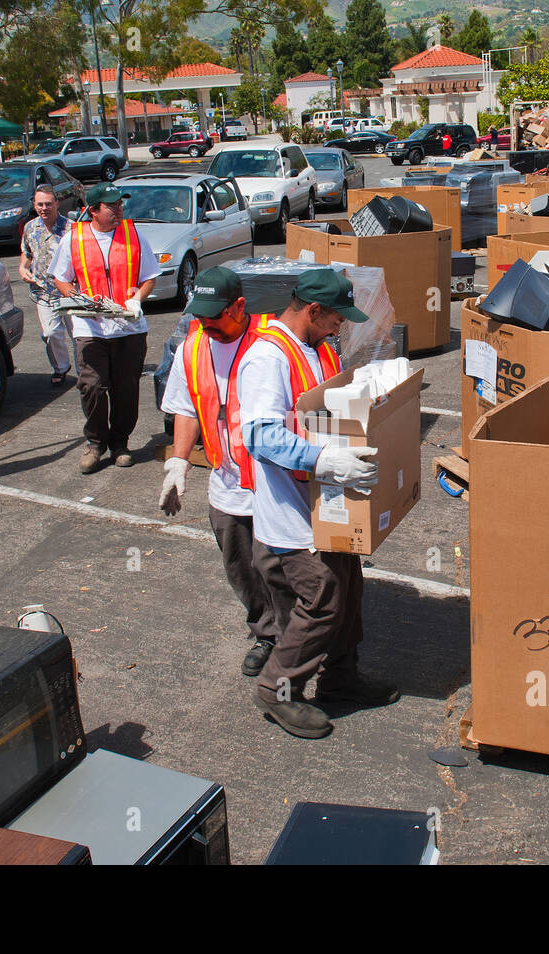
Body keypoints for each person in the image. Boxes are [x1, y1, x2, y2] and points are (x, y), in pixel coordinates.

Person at [236, 270, 397, 740]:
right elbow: (261, 436)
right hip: (293, 517)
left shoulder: (317, 347)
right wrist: (327, 459)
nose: (339, 329)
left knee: (349, 593)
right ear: (311, 310)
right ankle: (277, 689)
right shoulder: (267, 358)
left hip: (328, 508)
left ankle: (341, 679)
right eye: (334, 320)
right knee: (322, 600)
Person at [159, 267, 280, 677]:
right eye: (201, 316)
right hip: (227, 481)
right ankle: (267, 633)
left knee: (281, 567)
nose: (206, 324)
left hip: (276, 482)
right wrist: (178, 462)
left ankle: (299, 639)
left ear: (240, 306)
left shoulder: (273, 340)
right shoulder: (193, 347)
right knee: (242, 567)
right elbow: (187, 408)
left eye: (216, 316)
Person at [50, 182, 158, 473]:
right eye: (112, 206)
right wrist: (75, 297)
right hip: (90, 328)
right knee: (92, 386)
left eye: (121, 205)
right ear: (94, 210)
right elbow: (60, 277)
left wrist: (137, 299)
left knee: (126, 388)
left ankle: (120, 443)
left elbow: (150, 276)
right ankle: (96, 443)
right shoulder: (73, 239)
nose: (119, 210)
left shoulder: (134, 235)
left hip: (129, 328)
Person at [19, 185, 74, 386]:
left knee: (78, 336)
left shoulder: (71, 229)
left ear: (57, 204)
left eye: (48, 204)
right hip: (44, 292)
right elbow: (27, 253)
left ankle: (84, 370)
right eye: (40, 204)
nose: (44, 208)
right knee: (50, 334)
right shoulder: (30, 228)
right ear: (34, 205)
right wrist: (22, 268)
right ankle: (61, 367)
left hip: (70, 291)